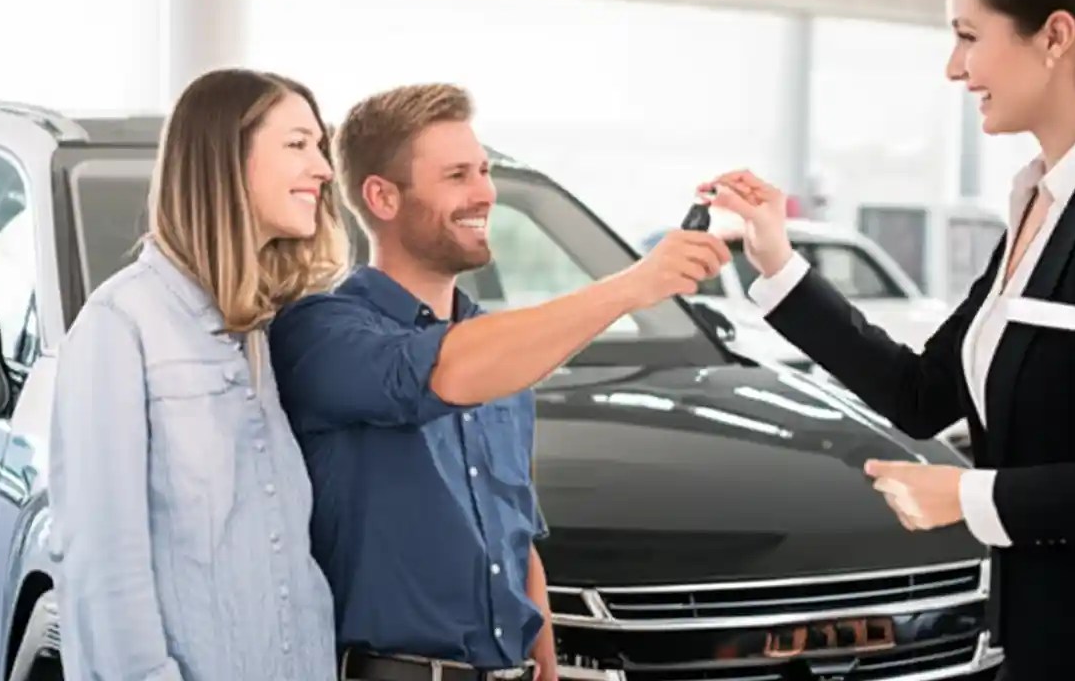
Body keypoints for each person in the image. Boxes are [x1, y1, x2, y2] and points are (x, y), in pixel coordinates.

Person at [702, 0, 1075, 677]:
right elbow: (923, 393)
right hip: (1039, 640)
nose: (955, 69)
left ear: (1055, 37)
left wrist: (969, 497)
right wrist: (779, 264)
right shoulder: (1036, 205)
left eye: (967, 36)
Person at [268, 82, 729, 681]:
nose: (484, 192)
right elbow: (439, 371)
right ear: (381, 196)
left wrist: (541, 640)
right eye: (456, 175)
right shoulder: (321, 332)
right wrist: (632, 286)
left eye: (483, 171)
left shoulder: (500, 348)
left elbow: (513, 523)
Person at [49, 68, 348, 681]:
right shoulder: (120, 325)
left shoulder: (259, 331)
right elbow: (103, 571)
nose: (323, 168)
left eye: (320, 147)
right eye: (297, 145)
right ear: (224, 161)